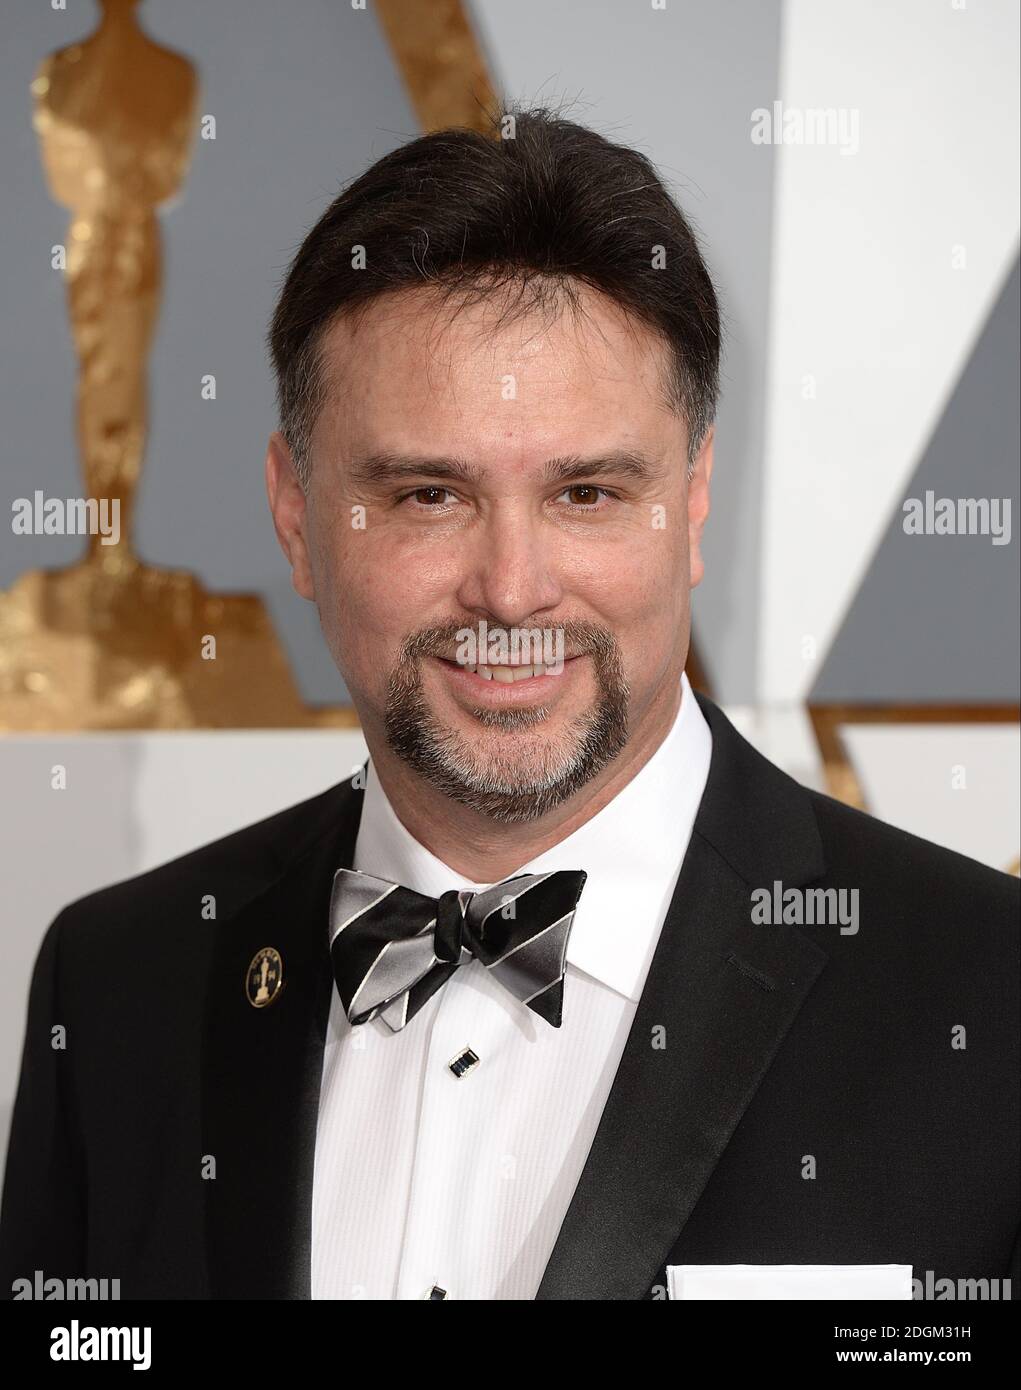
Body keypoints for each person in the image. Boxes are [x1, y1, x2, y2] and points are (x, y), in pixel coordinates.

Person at [1, 109, 1017, 1302]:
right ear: (295, 511)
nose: (512, 586)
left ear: (691, 502)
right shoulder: (120, 985)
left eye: (587, 491)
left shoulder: (984, 999)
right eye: (428, 494)